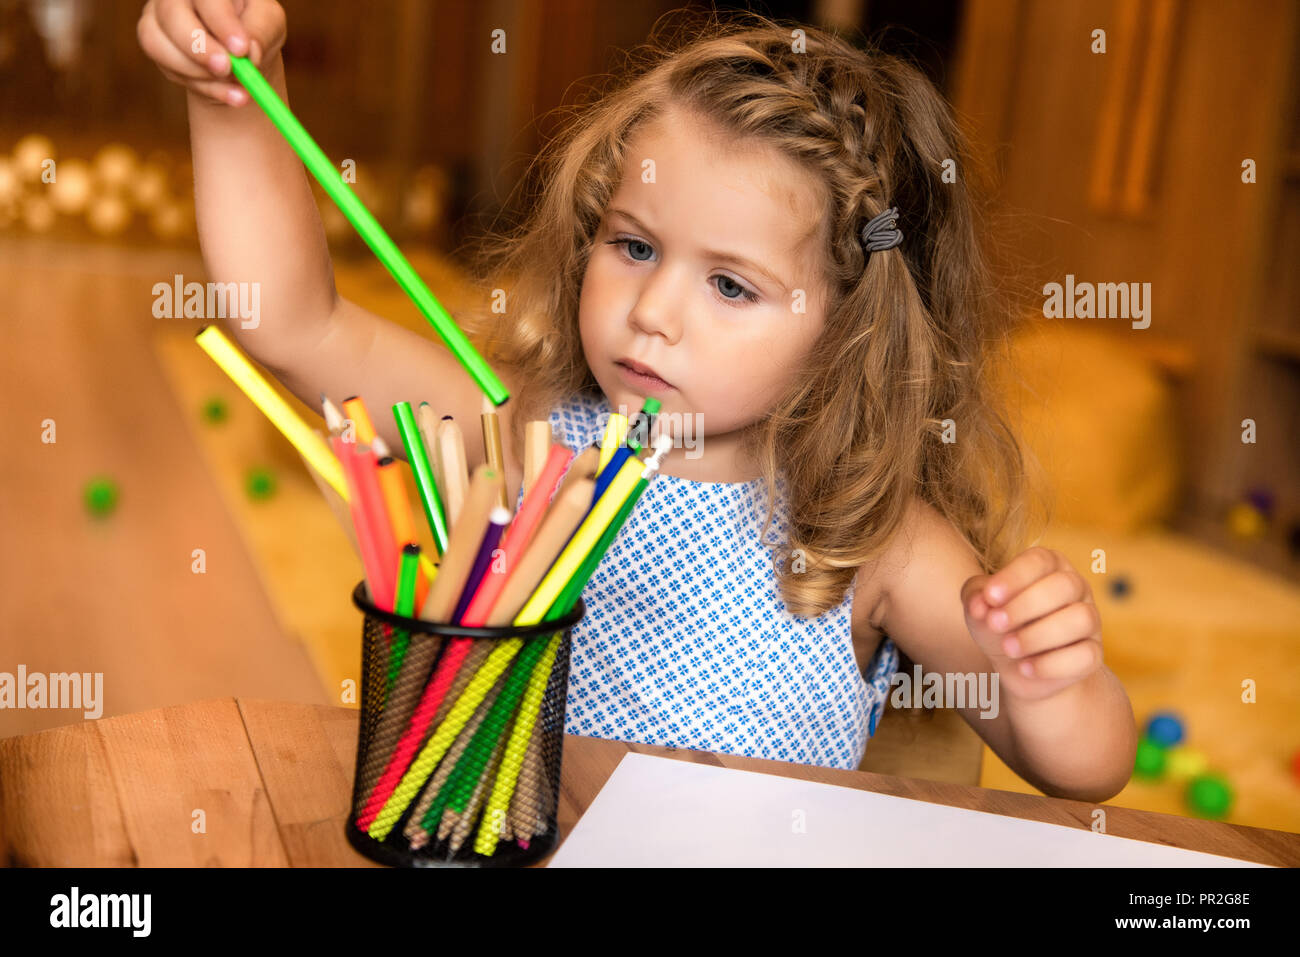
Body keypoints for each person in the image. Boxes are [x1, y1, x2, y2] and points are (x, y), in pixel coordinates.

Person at [137, 0, 1136, 798]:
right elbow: (290, 323)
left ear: (847, 328)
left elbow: (1080, 768)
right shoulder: (521, 433)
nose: (653, 311)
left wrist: (1054, 680)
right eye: (635, 246)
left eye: (730, 285)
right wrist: (239, 96)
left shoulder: (874, 537)